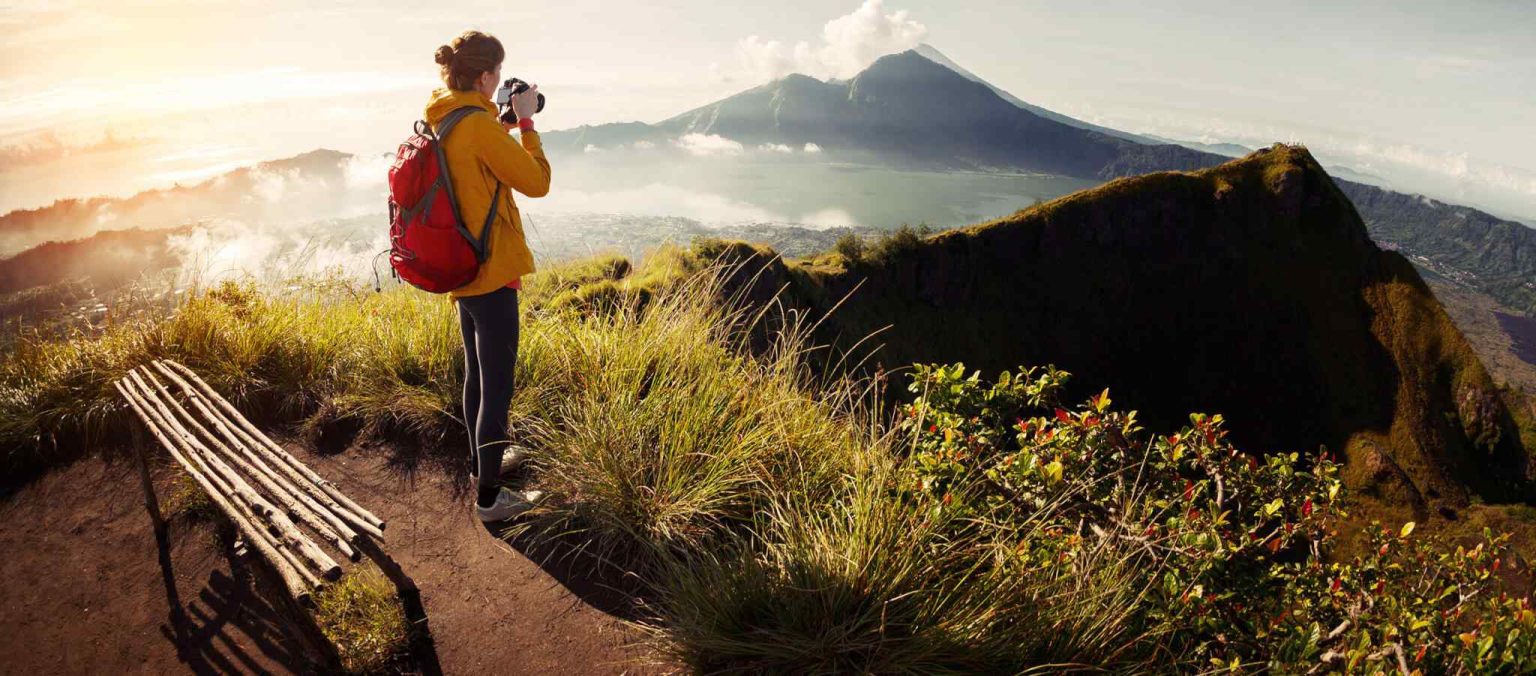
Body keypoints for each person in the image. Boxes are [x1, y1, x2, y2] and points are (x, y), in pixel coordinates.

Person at [426, 30, 551, 522]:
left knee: (478, 376)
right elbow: (537, 182)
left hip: (464, 266)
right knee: (497, 385)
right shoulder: (476, 126)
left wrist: (497, 120)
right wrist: (525, 122)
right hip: (492, 268)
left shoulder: (450, 116)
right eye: (497, 73)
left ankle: (484, 463)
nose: (500, 80)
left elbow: (476, 162)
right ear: (483, 76)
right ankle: (490, 500)